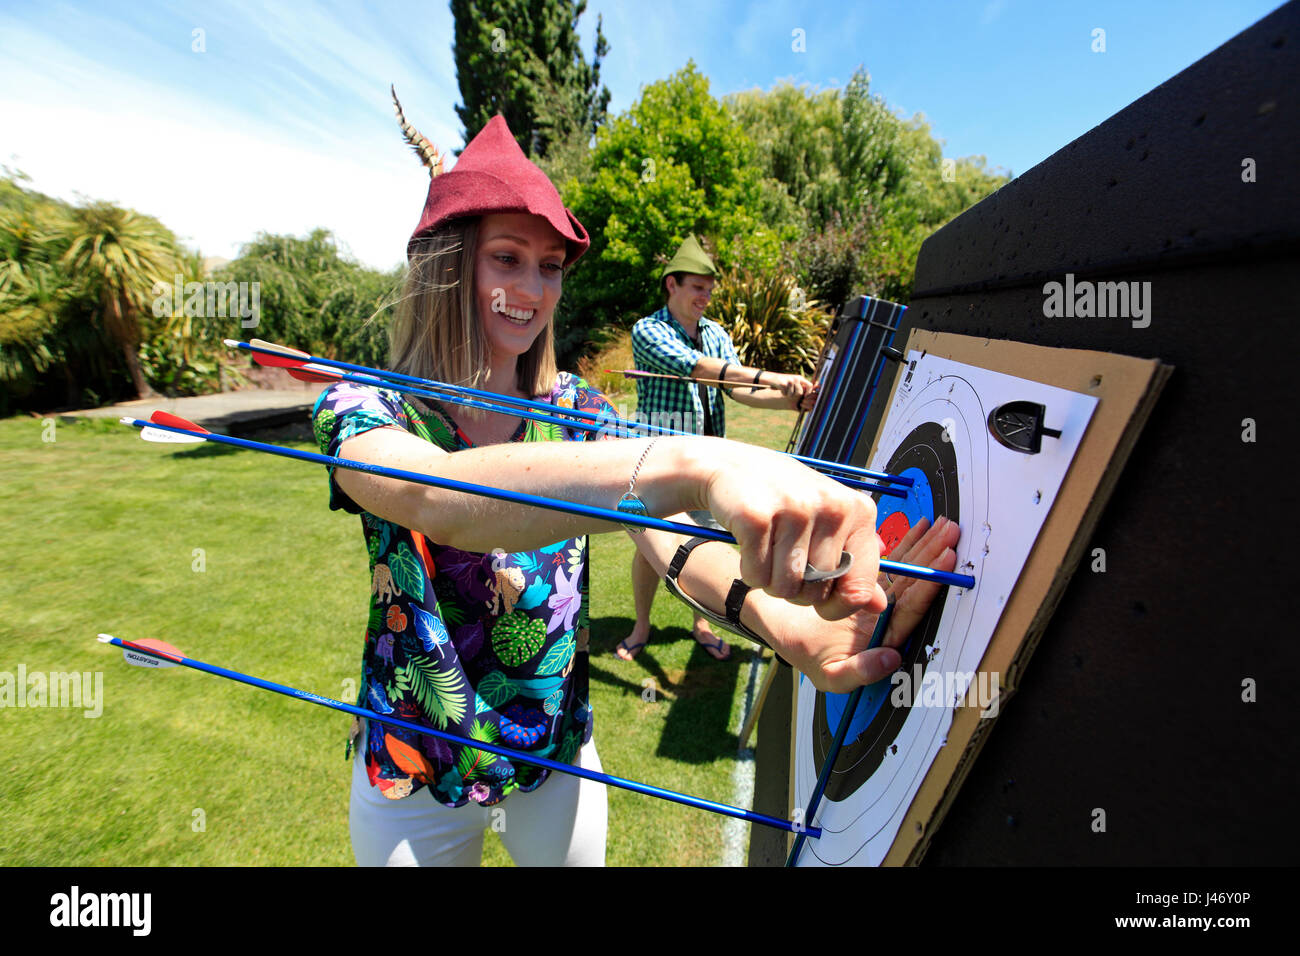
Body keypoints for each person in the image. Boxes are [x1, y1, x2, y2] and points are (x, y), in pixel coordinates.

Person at [312, 102, 961, 867]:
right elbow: (440, 497)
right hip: (413, 758)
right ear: (449, 264)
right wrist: (692, 463)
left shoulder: (581, 410)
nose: (533, 286)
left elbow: (670, 540)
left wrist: (792, 631)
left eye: (550, 266)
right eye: (508, 258)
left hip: (552, 745)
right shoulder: (362, 407)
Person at [618, 236, 819, 662]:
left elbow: (739, 391)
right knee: (650, 550)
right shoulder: (648, 330)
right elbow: (700, 370)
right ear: (671, 284)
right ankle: (640, 627)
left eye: (709, 289)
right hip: (660, 462)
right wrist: (769, 375)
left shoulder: (716, 333)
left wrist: (790, 399)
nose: (705, 297)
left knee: (705, 546)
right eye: (697, 288)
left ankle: (702, 623)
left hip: (710, 464)